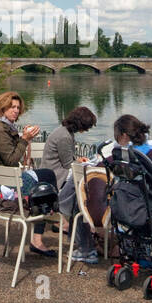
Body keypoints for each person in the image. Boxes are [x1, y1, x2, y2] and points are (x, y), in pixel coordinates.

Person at [0, 91, 57, 257]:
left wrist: (23, 138)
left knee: (44, 181)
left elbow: (13, 157)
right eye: (11, 107)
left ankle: (48, 216)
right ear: (2, 109)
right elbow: (11, 159)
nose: (16, 110)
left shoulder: (3, 126)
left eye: (17, 107)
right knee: (46, 181)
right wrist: (24, 139)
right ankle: (46, 227)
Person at [44, 106, 100, 263]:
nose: (86, 131)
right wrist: (83, 162)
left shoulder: (64, 132)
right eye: (86, 127)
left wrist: (78, 159)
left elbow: (68, 159)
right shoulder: (65, 137)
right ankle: (86, 247)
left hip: (57, 174)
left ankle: (84, 246)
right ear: (80, 124)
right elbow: (68, 164)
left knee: (79, 202)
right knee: (79, 203)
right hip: (56, 179)